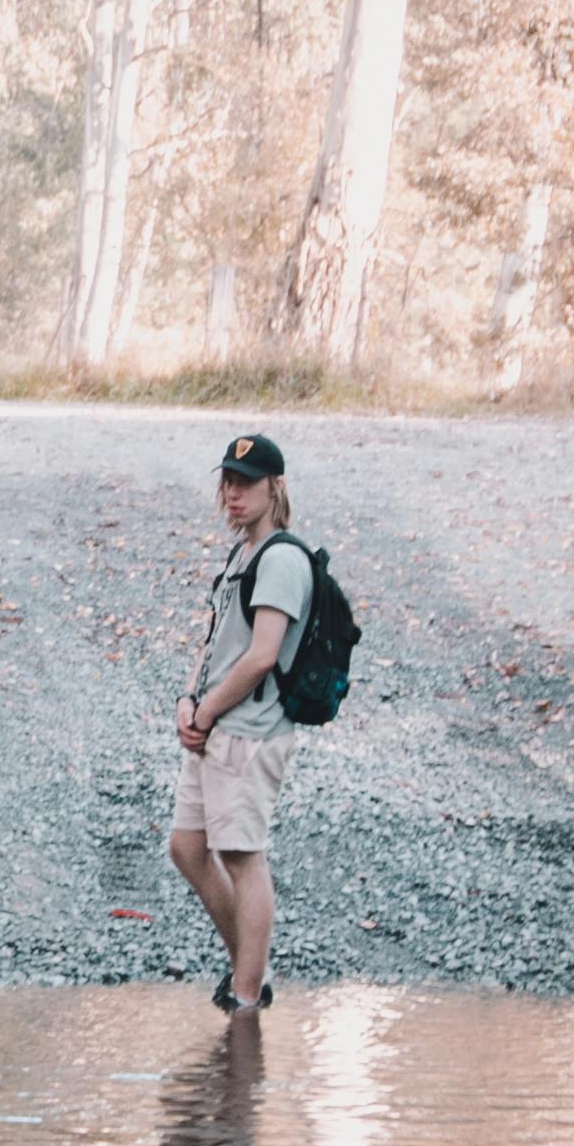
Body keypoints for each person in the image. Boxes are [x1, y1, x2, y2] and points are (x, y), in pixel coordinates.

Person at [170, 428, 313, 1015]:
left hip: (249, 735)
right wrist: (187, 700)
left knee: (242, 858)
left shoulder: (281, 559)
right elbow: (215, 642)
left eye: (247, 484)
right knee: (186, 847)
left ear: (274, 488)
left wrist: (206, 711)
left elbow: (261, 656)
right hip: (213, 729)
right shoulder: (243, 555)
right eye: (229, 482)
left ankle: (247, 999)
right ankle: (250, 969)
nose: (234, 494)